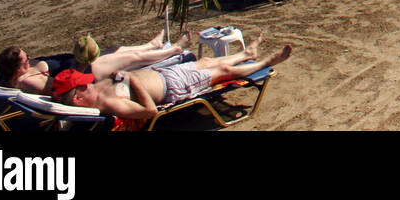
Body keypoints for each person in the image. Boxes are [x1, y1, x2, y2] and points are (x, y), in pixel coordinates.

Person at [54, 40, 292, 123]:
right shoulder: (109, 104)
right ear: (77, 97)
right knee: (224, 70)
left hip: (165, 74)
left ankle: (246, 54)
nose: (88, 83)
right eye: (83, 84)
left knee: (209, 60)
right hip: (174, 87)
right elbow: (149, 112)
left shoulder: (94, 89)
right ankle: (267, 62)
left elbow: (86, 74)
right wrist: (132, 80)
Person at [0, 32, 191, 95]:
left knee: (116, 48)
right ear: (18, 67)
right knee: (131, 59)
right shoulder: (29, 82)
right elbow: (62, 87)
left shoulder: (12, 75)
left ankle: (151, 45)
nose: (29, 60)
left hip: (78, 62)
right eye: (27, 60)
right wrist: (80, 66)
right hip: (84, 69)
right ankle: (174, 50)